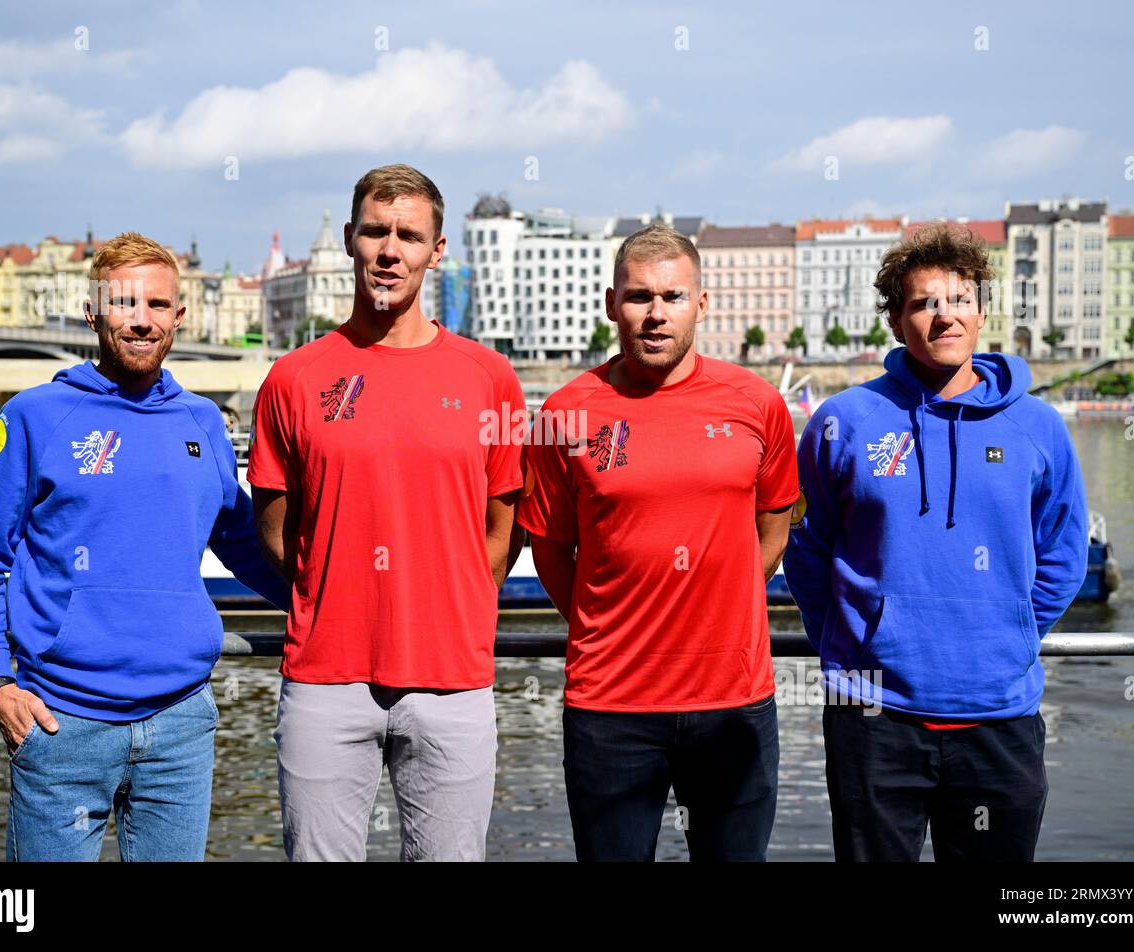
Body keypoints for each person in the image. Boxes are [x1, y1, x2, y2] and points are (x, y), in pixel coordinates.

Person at [0, 231, 289, 861]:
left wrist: (327, 608)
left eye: (158, 306)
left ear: (180, 316)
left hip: (182, 724)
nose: (141, 320)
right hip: (59, 720)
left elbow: (241, 540)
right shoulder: (34, 416)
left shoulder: (203, 422)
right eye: (124, 302)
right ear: (92, 310)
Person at [784, 221, 1088, 862]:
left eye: (958, 299)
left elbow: (1063, 553)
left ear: (981, 313)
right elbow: (809, 550)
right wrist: (851, 638)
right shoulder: (843, 422)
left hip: (999, 716)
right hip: (873, 715)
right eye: (923, 302)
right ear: (896, 322)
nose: (943, 316)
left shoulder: (1038, 427)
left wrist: (1010, 635)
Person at [248, 164, 526, 862]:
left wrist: (450, 598)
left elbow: (504, 530)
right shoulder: (295, 378)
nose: (389, 249)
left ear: (437, 252)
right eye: (375, 231)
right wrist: (336, 587)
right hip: (324, 677)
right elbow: (277, 529)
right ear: (349, 239)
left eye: (409, 235)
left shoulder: (488, 379)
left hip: (453, 678)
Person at [518, 223, 797, 861]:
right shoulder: (564, 415)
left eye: (672, 297)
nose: (655, 314)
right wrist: (609, 624)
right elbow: (551, 550)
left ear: (701, 304)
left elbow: (773, 526)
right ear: (612, 303)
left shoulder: (757, 404)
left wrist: (717, 609)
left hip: (733, 700)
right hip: (610, 705)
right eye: (640, 296)